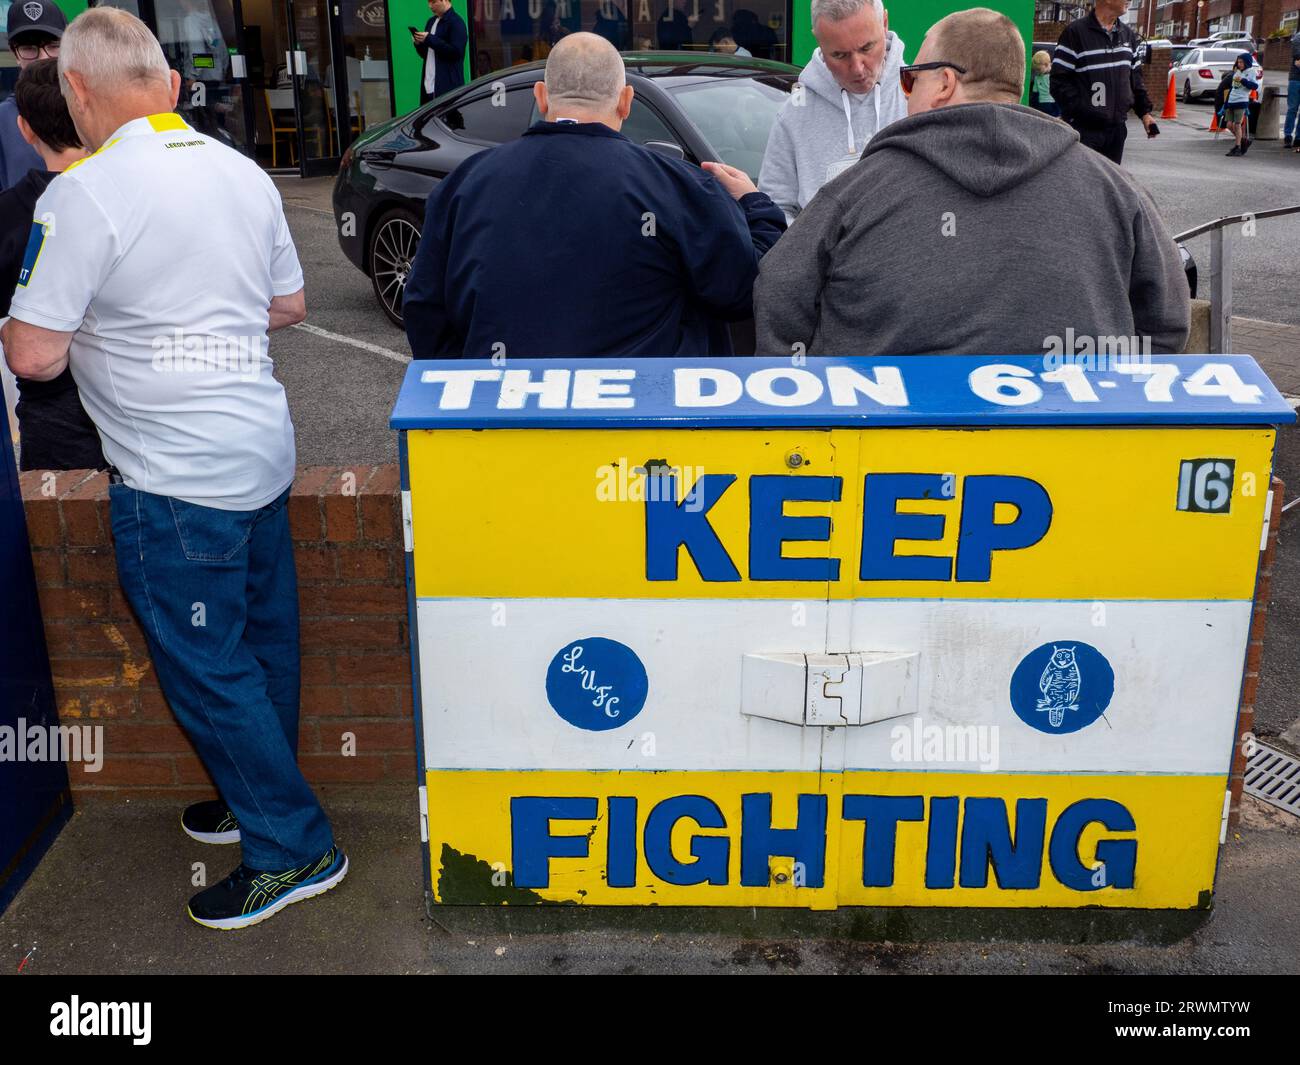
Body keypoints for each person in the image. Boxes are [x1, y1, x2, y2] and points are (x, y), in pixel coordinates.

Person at [2, 8, 345, 930]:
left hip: (171, 477)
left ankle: (294, 847)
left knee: (207, 669)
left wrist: (95, 327)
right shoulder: (243, 171)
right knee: (264, 646)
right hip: (261, 452)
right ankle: (255, 798)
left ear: (75, 92)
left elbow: (33, 356)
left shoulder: (82, 195)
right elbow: (289, 303)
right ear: (170, 83)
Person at [753, 8, 1189, 357]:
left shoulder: (855, 193)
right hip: (1066, 454)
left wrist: (810, 406)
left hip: (887, 457)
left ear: (943, 83)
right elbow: (1167, 321)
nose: (905, 93)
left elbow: (779, 289)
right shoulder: (1116, 189)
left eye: (911, 79)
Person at [402, 32, 785, 357]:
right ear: (626, 101)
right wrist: (756, 206)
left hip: (503, 424)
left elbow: (424, 309)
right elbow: (746, 289)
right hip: (641, 430)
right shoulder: (678, 186)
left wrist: (465, 396)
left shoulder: (464, 184)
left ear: (541, 97)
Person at [0, 59, 102, 471]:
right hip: (143, 405)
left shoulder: (7, 214)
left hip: (53, 418)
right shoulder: (135, 194)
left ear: (25, 129)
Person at [758, 0, 906, 224]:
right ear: (818, 39)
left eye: (866, 48)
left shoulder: (919, 94)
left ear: (884, 23)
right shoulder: (794, 114)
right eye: (839, 55)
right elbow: (775, 209)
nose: (857, 68)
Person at [1050, 0, 1156, 164]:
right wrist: (1081, 111)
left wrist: (1145, 114)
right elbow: (1059, 81)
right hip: (1085, 130)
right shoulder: (1075, 33)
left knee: (1110, 186)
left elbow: (1135, 79)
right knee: (1084, 185)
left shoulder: (1128, 35)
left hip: (1117, 131)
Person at [0, 0, 65, 192]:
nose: (43, 58)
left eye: (53, 46)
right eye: (29, 48)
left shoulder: (92, 107)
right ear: (14, 53)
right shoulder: (2, 120)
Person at [413, 0, 467, 105]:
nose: (430, 6)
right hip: (428, 87)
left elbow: (456, 53)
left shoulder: (456, 22)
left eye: (433, 2)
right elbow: (426, 55)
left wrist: (429, 39)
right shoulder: (431, 22)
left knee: (449, 121)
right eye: (428, 2)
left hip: (448, 89)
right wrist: (418, 43)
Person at [1222, 51, 1260, 157]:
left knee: (1237, 124)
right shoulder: (1237, 72)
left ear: (1247, 62)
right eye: (1238, 62)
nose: (1239, 64)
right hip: (1232, 100)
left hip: (1241, 100)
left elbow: (1254, 86)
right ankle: (1243, 141)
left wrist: (1244, 81)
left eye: (1241, 62)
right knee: (1229, 125)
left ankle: (1237, 146)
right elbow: (1233, 88)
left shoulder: (1251, 72)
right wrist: (1226, 102)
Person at [1028, 48, 1057, 116]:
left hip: (1052, 104)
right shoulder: (1038, 78)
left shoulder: (1054, 76)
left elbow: (1035, 94)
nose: (1037, 72)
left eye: (1038, 69)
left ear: (1046, 65)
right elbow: (1035, 94)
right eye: (1035, 70)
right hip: (1044, 105)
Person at [1285, 28, 1300, 149]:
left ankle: (1298, 137)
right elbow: (1297, 57)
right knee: (1292, 109)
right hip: (1295, 79)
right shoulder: (1298, 38)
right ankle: (1288, 136)